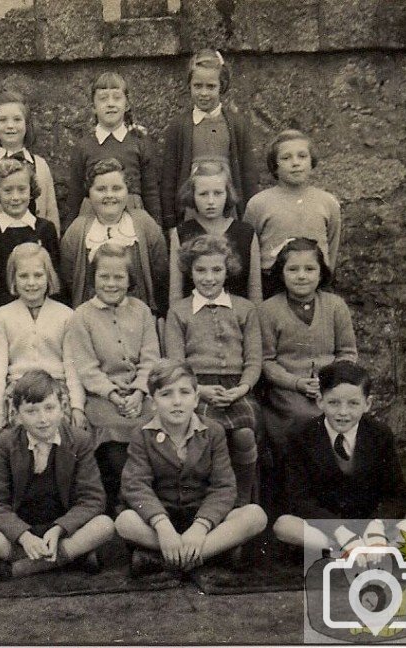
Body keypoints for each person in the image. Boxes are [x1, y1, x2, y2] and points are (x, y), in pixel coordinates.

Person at [274, 361, 406, 556]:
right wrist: (339, 530)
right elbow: (300, 499)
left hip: (371, 524)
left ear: (367, 404)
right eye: (334, 403)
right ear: (320, 401)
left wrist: (377, 526)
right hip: (329, 528)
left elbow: (397, 494)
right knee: (284, 525)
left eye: (353, 403)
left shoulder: (379, 434)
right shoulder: (302, 436)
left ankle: (373, 548)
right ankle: (352, 550)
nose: (343, 412)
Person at [116, 360, 267, 576]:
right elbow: (135, 485)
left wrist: (201, 526)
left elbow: (223, 487)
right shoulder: (142, 434)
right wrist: (162, 526)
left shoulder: (213, 431)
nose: (177, 401)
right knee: (125, 521)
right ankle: (208, 554)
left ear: (196, 399)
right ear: (153, 402)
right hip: (161, 523)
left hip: (203, 520)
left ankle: (169, 559)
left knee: (255, 515)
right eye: (166, 394)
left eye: (185, 392)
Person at [0, 370, 114, 582]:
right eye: (32, 411)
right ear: (16, 414)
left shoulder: (79, 441)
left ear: (63, 408)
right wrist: (23, 536)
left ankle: (15, 569)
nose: (43, 419)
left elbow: (93, 499)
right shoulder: (5, 443)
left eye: (49, 408)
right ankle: (70, 558)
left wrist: (58, 530)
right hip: (20, 532)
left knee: (105, 525)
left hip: (62, 529)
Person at [164, 235, 262, 506]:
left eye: (217, 270)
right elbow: (176, 363)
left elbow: (254, 361)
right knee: (206, 433)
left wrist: (240, 390)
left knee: (244, 433)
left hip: (237, 387)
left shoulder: (245, 309)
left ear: (228, 270)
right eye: (201, 270)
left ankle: (242, 494)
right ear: (190, 271)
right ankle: (207, 497)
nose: (209, 278)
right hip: (194, 388)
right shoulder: (179, 312)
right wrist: (199, 390)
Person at [65, 242, 160, 512]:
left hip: (142, 397)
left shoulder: (141, 311)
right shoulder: (81, 316)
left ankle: (150, 506)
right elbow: (86, 368)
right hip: (103, 400)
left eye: (119, 277)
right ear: (93, 278)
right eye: (104, 276)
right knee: (115, 448)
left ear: (130, 280)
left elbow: (150, 357)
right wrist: (114, 395)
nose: (111, 283)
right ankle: (123, 507)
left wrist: (140, 392)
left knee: (153, 438)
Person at [259, 238, 357, 448]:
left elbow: (347, 352)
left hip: (331, 386)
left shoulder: (335, 306)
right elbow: (267, 361)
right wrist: (297, 383)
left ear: (321, 273)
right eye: (293, 269)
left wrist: (329, 381)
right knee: (304, 417)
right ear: (281, 273)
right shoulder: (268, 310)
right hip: (287, 392)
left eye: (310, 269)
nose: (301, 276)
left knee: (344, 414)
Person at [0, 243, 84, 433]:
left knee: (58, 429)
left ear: (48, 277)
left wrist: (77, 407)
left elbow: (72, 368)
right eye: (23, 276)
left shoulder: (66, 315)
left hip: (56, 387)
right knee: (22, 432)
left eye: (38, 275)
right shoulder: (1, 316)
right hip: (18, 389)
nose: (31, 283)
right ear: (13, 279)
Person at [160, 50, 257, 231]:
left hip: (227, 205)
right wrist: (169, 219)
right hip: (192, 206)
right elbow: (169, 177)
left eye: (211, 86)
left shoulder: (236, 123)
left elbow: (248, 174)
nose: (203, 93)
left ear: (222, 86)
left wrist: (249, 215)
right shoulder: (179, 125)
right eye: (198, 86)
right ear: (189, 85)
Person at [60, 157, 167, 315]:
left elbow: (161, 274)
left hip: (137, 315)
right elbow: (68, 278)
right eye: (101, 189)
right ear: (89, 193)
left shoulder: (145, 224)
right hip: (92, 316)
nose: (109, 195)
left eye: (116, 188)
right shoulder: (77, 230)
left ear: (127, 191)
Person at [244, 130, 342, 298]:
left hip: (313, 284)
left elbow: (332, 246)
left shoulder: (327, 202)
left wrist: (324, 279)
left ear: (312, 162)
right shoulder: (258, 204)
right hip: (272, 286)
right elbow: (250, 250)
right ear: (275, 165)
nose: (295, 163)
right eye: (286, 158)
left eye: (302, 156)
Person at [65, 71, 160, 231]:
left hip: (133, 213)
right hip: (93, 215)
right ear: (93, 107)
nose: (110, 103)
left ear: (127, 104)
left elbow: (151, 192)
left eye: (117, 98)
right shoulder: (84, 146)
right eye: (103, 99)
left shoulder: (139, 142)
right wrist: (68, 231)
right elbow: (75, 195)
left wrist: (157, 228)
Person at [0, 157, 61, 331]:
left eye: (21, 190)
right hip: (0, 324)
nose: (15, 197)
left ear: (31, 190)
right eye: (7, 190)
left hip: (41, 322)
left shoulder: (45, 230)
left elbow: (55, 282)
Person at [168, 159, 262, 304]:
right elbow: (175, 293)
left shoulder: (246, 233)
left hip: (238, 320)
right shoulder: (181, 233)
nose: (211, 201)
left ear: (228, 194)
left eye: (217, 193)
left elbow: (255, 291)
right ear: (192, 195)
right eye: (203, 194)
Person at [0, 89, 59, 234]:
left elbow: (51, 213)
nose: (10, 126)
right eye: (2, 120)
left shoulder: (41, 165)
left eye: (17, 119)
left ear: (27, 124)